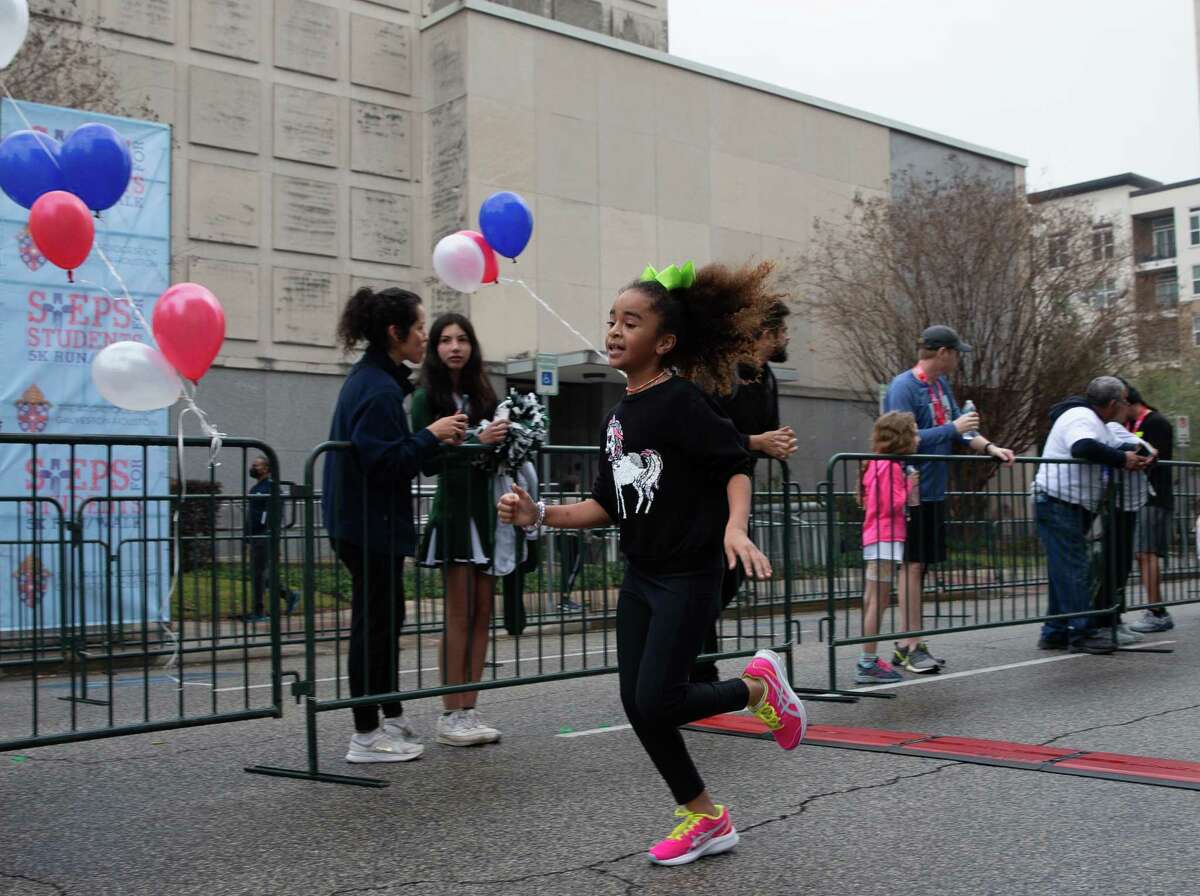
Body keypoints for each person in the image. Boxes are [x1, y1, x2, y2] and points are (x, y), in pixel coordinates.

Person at [499, 260, 807, 868]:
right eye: (611, 320)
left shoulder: (681, 401)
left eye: (630, 322)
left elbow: (735, 467)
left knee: (660, 699)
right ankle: (704, 816)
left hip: (691, 573)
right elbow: (606, 504)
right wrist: (538, 515)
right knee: (640, 705)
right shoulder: (620, 415)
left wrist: (735, 529)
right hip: (641, 575)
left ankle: (757, 686)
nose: (614, 331)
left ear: (663, 342)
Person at [323, 287, 468, 764]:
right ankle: (366, 734)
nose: (424, 337)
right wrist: (430, 434)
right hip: (368, 525)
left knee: (386, 622)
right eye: (421, 328)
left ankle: (388, 717)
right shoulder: (378, 388)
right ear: (394, 332)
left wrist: (427, 439)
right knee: (374, 627)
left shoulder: (376, 381)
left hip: (367, 523)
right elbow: (383, 462)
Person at [883, 325, 1015, 673]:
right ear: (943, 353)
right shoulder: (903, 386)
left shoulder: (940, 386)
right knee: (911, 565)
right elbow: (902, 440)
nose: (959, 359)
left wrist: (990, 447)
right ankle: (908, 644)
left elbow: (963, 428)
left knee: (920, 565)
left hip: (932, 490)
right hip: (910, 489)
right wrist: (952, 430)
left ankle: (911, 641)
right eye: (957, 353)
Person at [412, 313, 510, 748]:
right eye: (445, 340)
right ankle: (450, 712)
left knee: (483, 611)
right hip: (452, 512)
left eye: (462, 339)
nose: (455, 347)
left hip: (487, 511)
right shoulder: (425, 396)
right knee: (458, 612)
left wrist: (508, 439)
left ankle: (469, 709)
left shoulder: (485, 393)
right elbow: (427, 459)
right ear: (434, 348)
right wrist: (474, 443)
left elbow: (494, 450)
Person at [692, 299, 797, 683]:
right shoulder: (725, 372)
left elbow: (769, 430)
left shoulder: (766, 375)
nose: (788, 337)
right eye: (783, 330)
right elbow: (707, 432)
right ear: (766, 334)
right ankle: (699, 669)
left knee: (727, 576)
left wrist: (778, 443)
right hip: (705, 490)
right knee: (712, 576)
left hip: (738, 489)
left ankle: (692, 654)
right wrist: (756, 442)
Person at [1033, 376, 1152, 654]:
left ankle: (1055, 631)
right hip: (1058, 501)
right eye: (1124, 401)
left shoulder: (1095, 421)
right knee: (1074, 568)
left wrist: (1136, 452)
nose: (1127, 406)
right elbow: (1082, 447)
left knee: (1063, 570)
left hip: (1067, 502)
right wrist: (1123, 459)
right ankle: (1082, 632)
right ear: (1113, 403)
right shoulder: (1081, 417)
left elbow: (1108, 446)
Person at [855, 412, 920, 684]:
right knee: (878, 601)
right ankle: (867, 662)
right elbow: (890, 503)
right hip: (884, 539)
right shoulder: (890, 466)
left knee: (873, 599)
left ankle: (868, 659)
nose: (918, 438)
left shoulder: (877, 463)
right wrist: (910, 484)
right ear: (902, 438)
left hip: (879, 538)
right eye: (914, 432)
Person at [1127, 385, 1176, 633]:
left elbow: (1154, 459)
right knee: (1142, 553)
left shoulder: (1156, 422)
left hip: (1154, 496)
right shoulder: (1133, 424)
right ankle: (1155, 608)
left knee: (1147, 552)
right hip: (1141, 497)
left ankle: (1157, 610)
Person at [240, 455, 298, 623]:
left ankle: (259, 612)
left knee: (259, 575)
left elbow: (276, 516)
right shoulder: (255, 488)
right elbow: (250, 516)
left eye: (256, 465)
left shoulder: (272, 489)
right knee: (260, 575)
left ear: (266, 468)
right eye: (252, 465)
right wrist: (246, 539)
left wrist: (271, 536)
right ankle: (289, 595)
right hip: (255, 536)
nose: (252, 468)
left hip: (265, 536)